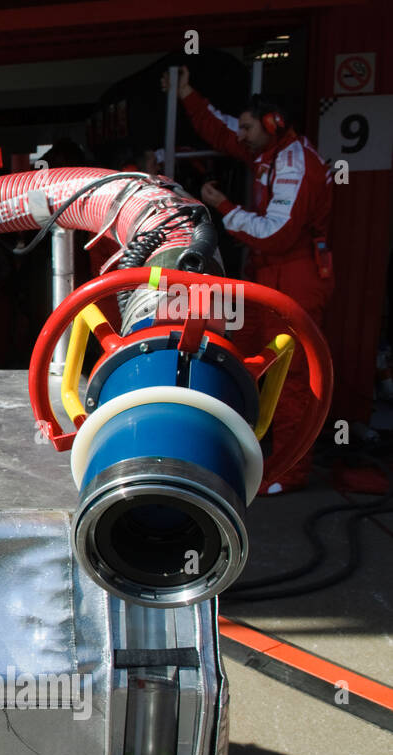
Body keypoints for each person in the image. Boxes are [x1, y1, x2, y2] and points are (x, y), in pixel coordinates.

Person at [163, 66, 334, 494]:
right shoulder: (269, 151)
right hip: (267, 276)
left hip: (295, 277)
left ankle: (286, 474)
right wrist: (187, 93)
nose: (239, 135)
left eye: (247, 127)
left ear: (273, 124)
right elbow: (222, 131)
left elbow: (275, 234)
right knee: (246, 365)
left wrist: (223, 207)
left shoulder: (295, 164)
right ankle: (242, 457)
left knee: (292, 378)